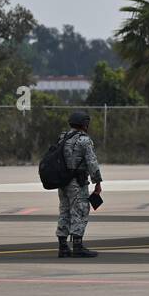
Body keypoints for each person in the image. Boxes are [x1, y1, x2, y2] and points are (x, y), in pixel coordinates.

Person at [57, 110, 102, 257]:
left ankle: (63, 246)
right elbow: (92, 162)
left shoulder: (63, 137)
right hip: (77, 183)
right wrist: (97, 182)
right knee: (80, 211)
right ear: (85, 124)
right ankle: (77, 246)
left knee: (64, 211)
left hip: (63, 182)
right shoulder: (84, 140)